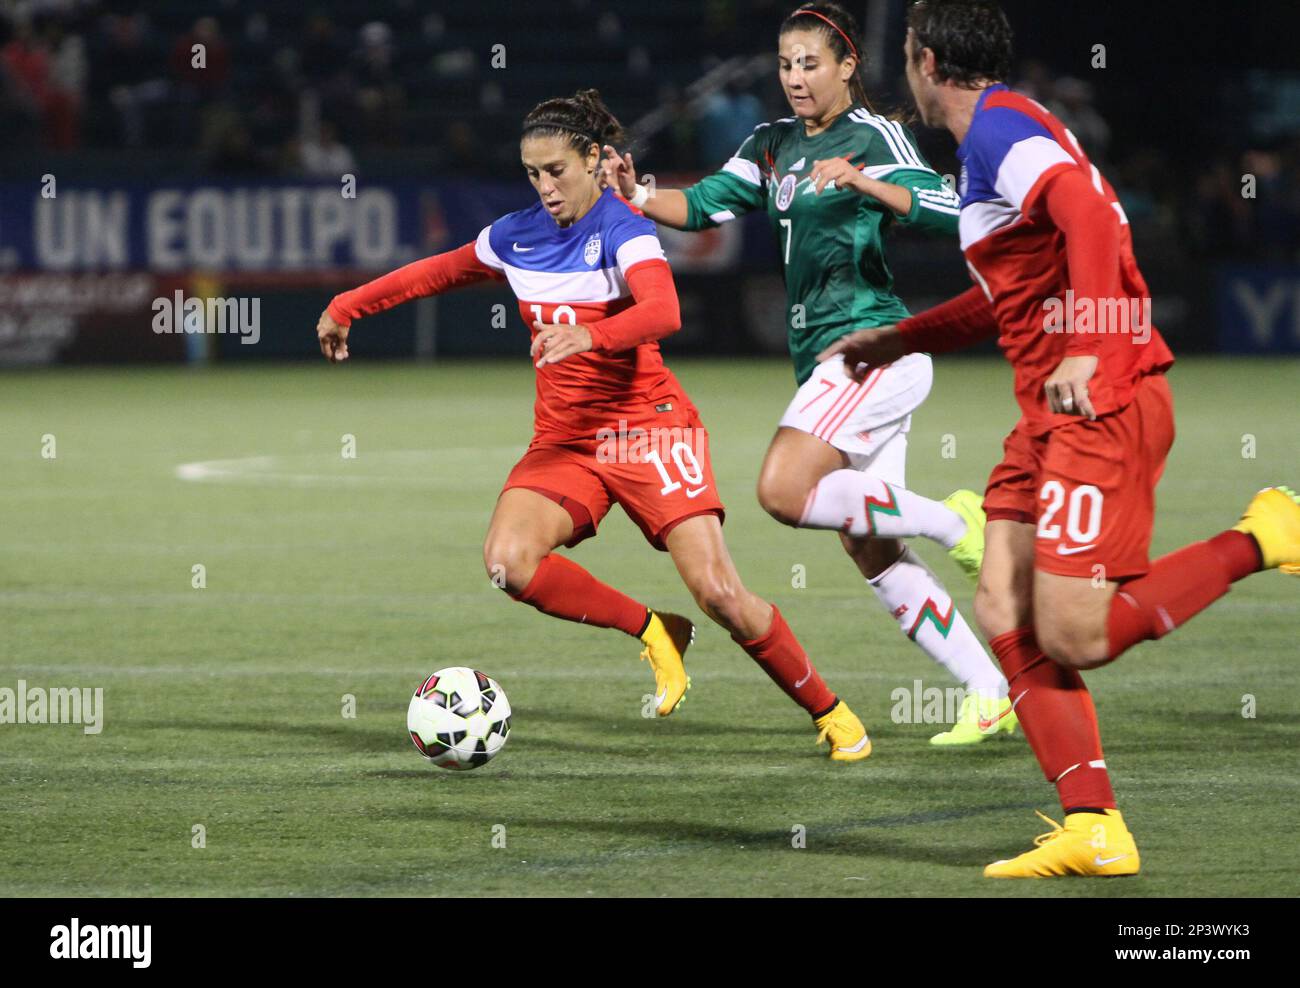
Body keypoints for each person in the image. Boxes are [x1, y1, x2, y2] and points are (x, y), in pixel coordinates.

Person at [824, 0, 1300, 876]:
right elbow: (1003, 297)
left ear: (925, 60)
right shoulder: (989, 148)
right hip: (1049, 414)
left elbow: (1082, 208)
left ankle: (1264, 536)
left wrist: (1084, 344)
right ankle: (1093, 827)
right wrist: (902, 337)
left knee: (1074, 636)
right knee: (1005, 609)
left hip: (1100, 402)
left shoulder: (1002, 125)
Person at [316, 89, 872, 760]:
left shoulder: (623, 227)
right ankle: (653, 630)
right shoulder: (514, 237)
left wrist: (591, 334)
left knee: (721, 594)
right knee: (510, 564)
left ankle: (832, 713)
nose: (545, 186)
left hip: (649, 430)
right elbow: (435, 273)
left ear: (593, 159)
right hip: (567, 443)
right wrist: (348, 304)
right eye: (532, 173)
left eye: (557, 170)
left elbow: (663, 311)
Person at [602, 2, 1018, 746]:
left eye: (811, 63)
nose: (795, 78)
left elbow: (949, 208)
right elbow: (700, 207)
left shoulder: (875, 136)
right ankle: (990, 689)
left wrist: (864, 182)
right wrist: (637, 195)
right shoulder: (771, 145)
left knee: (782, 490)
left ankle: (959, 521)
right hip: (828, 364)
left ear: (848, 65)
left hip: (870, 350)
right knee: (868, 543)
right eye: (786, 63)